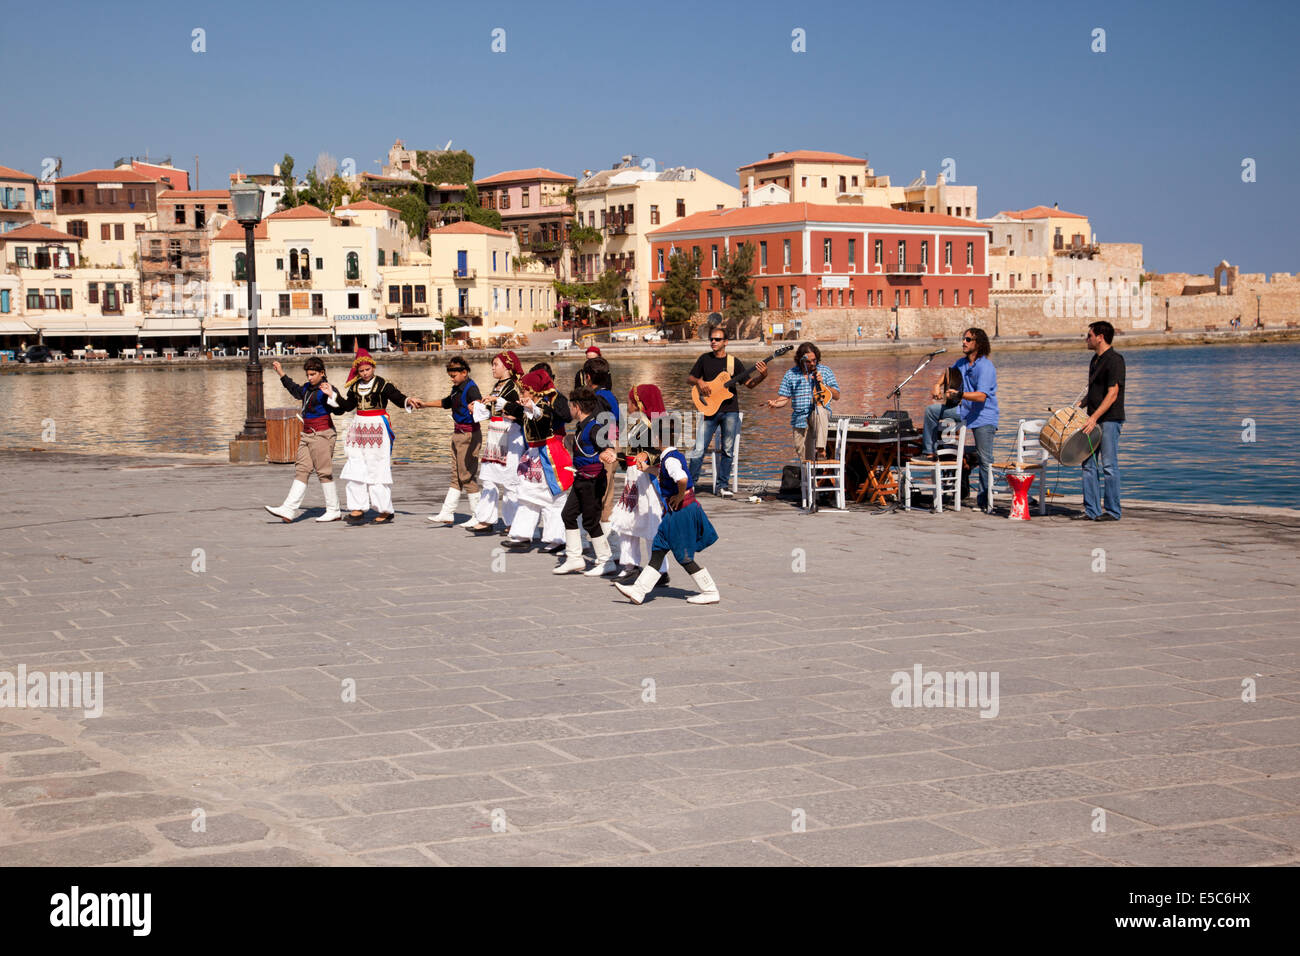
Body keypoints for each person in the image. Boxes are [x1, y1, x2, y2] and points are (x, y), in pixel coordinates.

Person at [615, 433, 720, 605]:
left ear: (660, 439)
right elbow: (665, 474)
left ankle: (710, 591)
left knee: (683, 555)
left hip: (681, 511)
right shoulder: (671, 456)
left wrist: (679, 496)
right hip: (675, 511)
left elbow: (682, 478)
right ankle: (639, 591)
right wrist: (647, 469)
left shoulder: (670, 460)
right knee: (659, 546)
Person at [332, 347, 422, 525]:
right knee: (355, 464)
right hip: (359, 428)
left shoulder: (383, 384)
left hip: (377, 428)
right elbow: (348, 407)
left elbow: (397, 397)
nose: (365, 373)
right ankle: (357, 508)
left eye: (367, 370)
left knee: (377, 467)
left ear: (373, 368)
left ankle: (384, 509)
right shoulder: (355, 387)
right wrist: (332, 395)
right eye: (361, 371)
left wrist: (408, 400)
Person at [685, 328, 768, 496]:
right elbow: (690, 378)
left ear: (725, 342)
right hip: (709, 410)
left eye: (717, 339)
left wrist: (763, 376)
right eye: (711, 339)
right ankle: (690, 485)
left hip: (730, 411)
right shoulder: (704, 359)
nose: (713, 342)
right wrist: (700, 382)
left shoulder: (733, 363)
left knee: (728, 450)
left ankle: (722, 486)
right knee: (699, 448)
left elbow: (750, 384)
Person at [264, 356, 342, 522]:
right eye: (308, 374)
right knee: (302, 469)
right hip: (307, 435)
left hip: (322, 434)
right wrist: (281, 373)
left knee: (324, 472)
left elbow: (339, 410)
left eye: (313, 374)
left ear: (322, 373)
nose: (310, 377)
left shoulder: (327, 388)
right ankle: (289, 509)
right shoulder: (307, 388)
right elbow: (294, 389)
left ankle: (334, 509)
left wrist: (332, 397)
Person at [609, 384, 671, 587]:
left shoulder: (659, 424)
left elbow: (665, 452)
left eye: (630, 401)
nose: (627, 405)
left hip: (647, 480)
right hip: (632, 477)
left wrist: (648, 456)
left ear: (640, 403)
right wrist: (614, 455)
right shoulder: (635, 423)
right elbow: (627, 452)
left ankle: (659, 570)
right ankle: (630, 565)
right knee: (626, 520)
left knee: (650, 522)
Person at [503, 368, 570, 553]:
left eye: (524, 391)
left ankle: (557, 538)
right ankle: (521, 535)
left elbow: (541, 415)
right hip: (533, 454)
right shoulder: (526, 406)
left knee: (552, 498)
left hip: (548, 455)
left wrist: (531, 407)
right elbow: (512, 408)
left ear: (534, 392)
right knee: (527, 495)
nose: (521, 394)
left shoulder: (545, 407)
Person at [554, 387, 618, 576]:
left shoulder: (595, 426)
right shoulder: (583, 425)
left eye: (570, 406)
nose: (569, 411)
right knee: (568, 514)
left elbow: (606, 446)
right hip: (580, 478)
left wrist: (608, 453)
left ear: (577, 407)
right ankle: (574, 558)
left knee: (590, 522)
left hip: (593, 481)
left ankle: (607, 561)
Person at [465, 351, 526, 534]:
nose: (492, 367)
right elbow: (492, 410)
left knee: (510, 481)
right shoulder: (497, 385)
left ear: (507, 366)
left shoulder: (515, 386)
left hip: (510, 434)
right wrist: (477, 407)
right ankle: (485, 519)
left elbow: (518, 410)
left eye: (496, 364)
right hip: (495, 435)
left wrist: (497, 402)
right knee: (489, 478)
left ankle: (512, 521)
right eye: (492, 364)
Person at [941, 327, 998, 512]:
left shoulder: (985, 366)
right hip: (964, 412)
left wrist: (960, 394)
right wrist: (937, 384)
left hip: (983, 416)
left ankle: (985, 501)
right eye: (963, 339)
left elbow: (981, 396)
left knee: (985, 459)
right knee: (935, 413)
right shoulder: (962, 363)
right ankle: (932, 454)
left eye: (968, 339)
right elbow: (948, 373)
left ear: (978, 344)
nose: (963, 342)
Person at [1076, 320, 1125, 522]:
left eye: (1089, 335)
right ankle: (1092, 510)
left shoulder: (1115, 360)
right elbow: (1094, 392)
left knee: (1109, 466)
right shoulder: (1094, 361)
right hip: (1092, 420)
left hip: (1109, 420)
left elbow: (1113, 394)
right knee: (1087, 464)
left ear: (1100, 337)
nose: (1086, 339)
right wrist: (1078, 406)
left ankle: (1113, 511)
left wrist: (1095, 417)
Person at [427, 356, 482, 525]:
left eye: (454, 375)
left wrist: (476, 406)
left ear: (464, 372)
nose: (452, 378)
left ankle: (479, 516)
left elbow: (479, 404)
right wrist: (424, 404)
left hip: (468, 435)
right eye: (450, 375)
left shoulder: (471, 388)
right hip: (457, 434)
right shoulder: (456, 388)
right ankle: (447, 513)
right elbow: (446, 403)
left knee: (466, 475)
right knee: (456, 475)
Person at [765, 342, 840, 460]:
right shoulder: (791, 374)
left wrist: (823, 384)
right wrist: (775, 404)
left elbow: (836, 395)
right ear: (801, 360)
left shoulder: (825, 371)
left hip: (819, 416)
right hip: (800, 418)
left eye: (814, 360)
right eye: (808, 361)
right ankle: (808, 477)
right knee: (805, 458)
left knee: (819, 409)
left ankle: (821, 448)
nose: (812, 363)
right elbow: (784, 398)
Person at [578, 355, 621, 541]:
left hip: (603, 449)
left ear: (587, 377)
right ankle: (606, 539)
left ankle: (600, 540)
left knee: (597, 495)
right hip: (614, 444)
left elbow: (596, 428)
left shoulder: (596, 399)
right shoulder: (610, 395)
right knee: (607, 494)